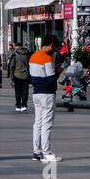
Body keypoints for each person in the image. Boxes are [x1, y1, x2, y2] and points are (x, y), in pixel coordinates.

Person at [28, 34, 63, 162]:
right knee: (47, 123)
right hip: (47, 94)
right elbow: (50, 80)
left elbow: (31, 77)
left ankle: (36, 152)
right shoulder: (47, 59)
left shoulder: (33, 57)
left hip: (36, 93)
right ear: (51, 45)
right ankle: (46, 152)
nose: (54, 51)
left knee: (37, 123)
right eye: (54, 48)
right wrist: (58, 70)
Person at [9, 42, 31, 112]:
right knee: (25, 91)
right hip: (26, 75)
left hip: (17, 75)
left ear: (17, 47)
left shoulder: (15, 55)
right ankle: (24, 105)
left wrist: (11, 75)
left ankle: (18, 105)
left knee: (18, 91)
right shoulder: (28, 53)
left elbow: (11, 66)